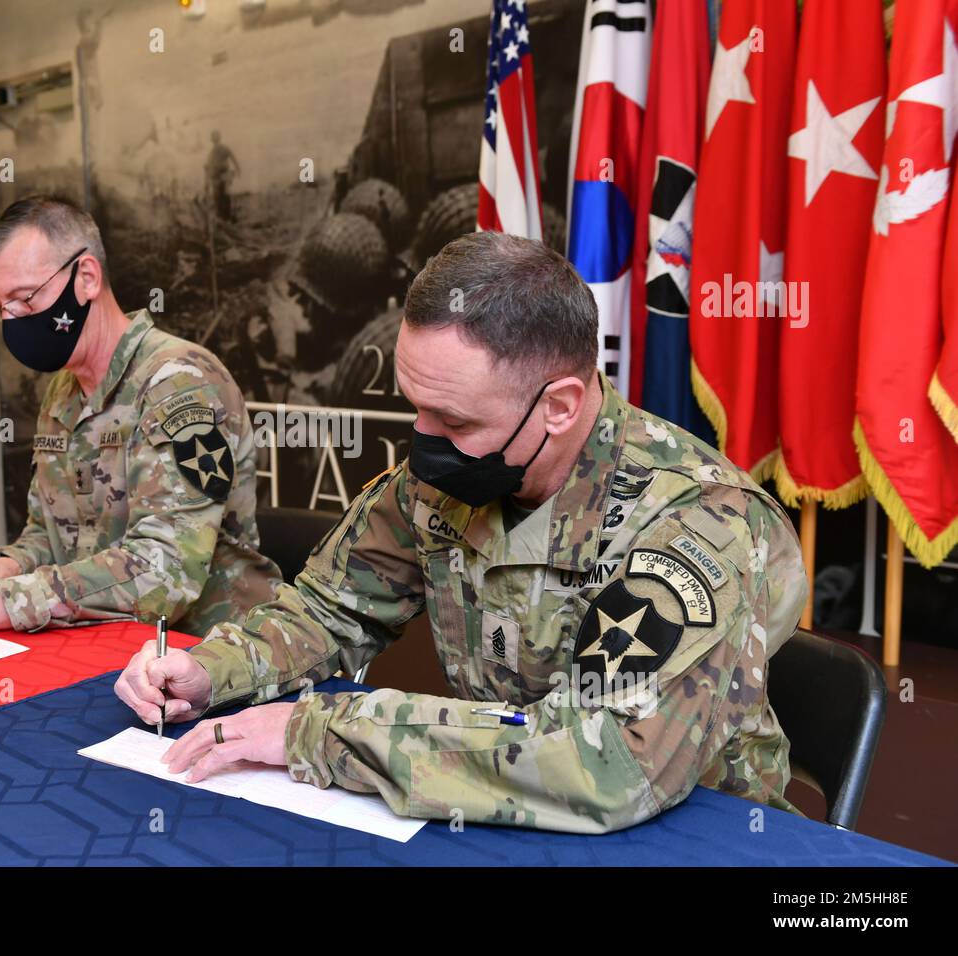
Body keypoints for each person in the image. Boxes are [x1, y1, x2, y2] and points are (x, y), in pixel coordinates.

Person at [115, 231, 809, 833]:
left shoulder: (693, 518)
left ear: (560, 406)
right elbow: (334, 607)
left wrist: (322, 733)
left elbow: (609, 759)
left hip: (691, 834)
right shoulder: (449, 476)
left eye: (454, 422)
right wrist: (215, 670)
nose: (424, 444)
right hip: (492, 807)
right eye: (415, 409)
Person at [0, 196, 281, 643]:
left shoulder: (178, 382)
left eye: (24, 299)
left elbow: (165, 573)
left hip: (207, 658)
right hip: (102, 645)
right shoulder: (64, 392)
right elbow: (51, 537)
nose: (11, 320)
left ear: (85, 278)